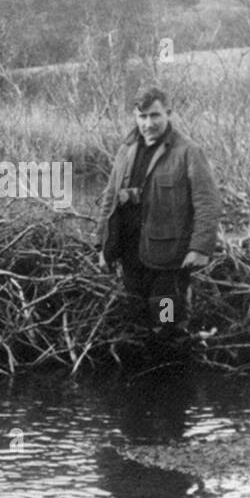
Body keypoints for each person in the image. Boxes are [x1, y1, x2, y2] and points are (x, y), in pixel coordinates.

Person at [96, 85, 219, 337]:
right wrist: (102, 246)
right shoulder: (126, 149)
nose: (148, 123)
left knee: (167, 322)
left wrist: (200, 248)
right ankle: (150, 370)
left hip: (169, 258)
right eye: (142, 117)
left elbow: (208, 202)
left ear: (168, 114)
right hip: (131, 255)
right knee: (140, 322)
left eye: (155, 116)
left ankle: (174, 366)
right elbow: (109, 199)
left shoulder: (188, 151)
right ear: (135, 116)